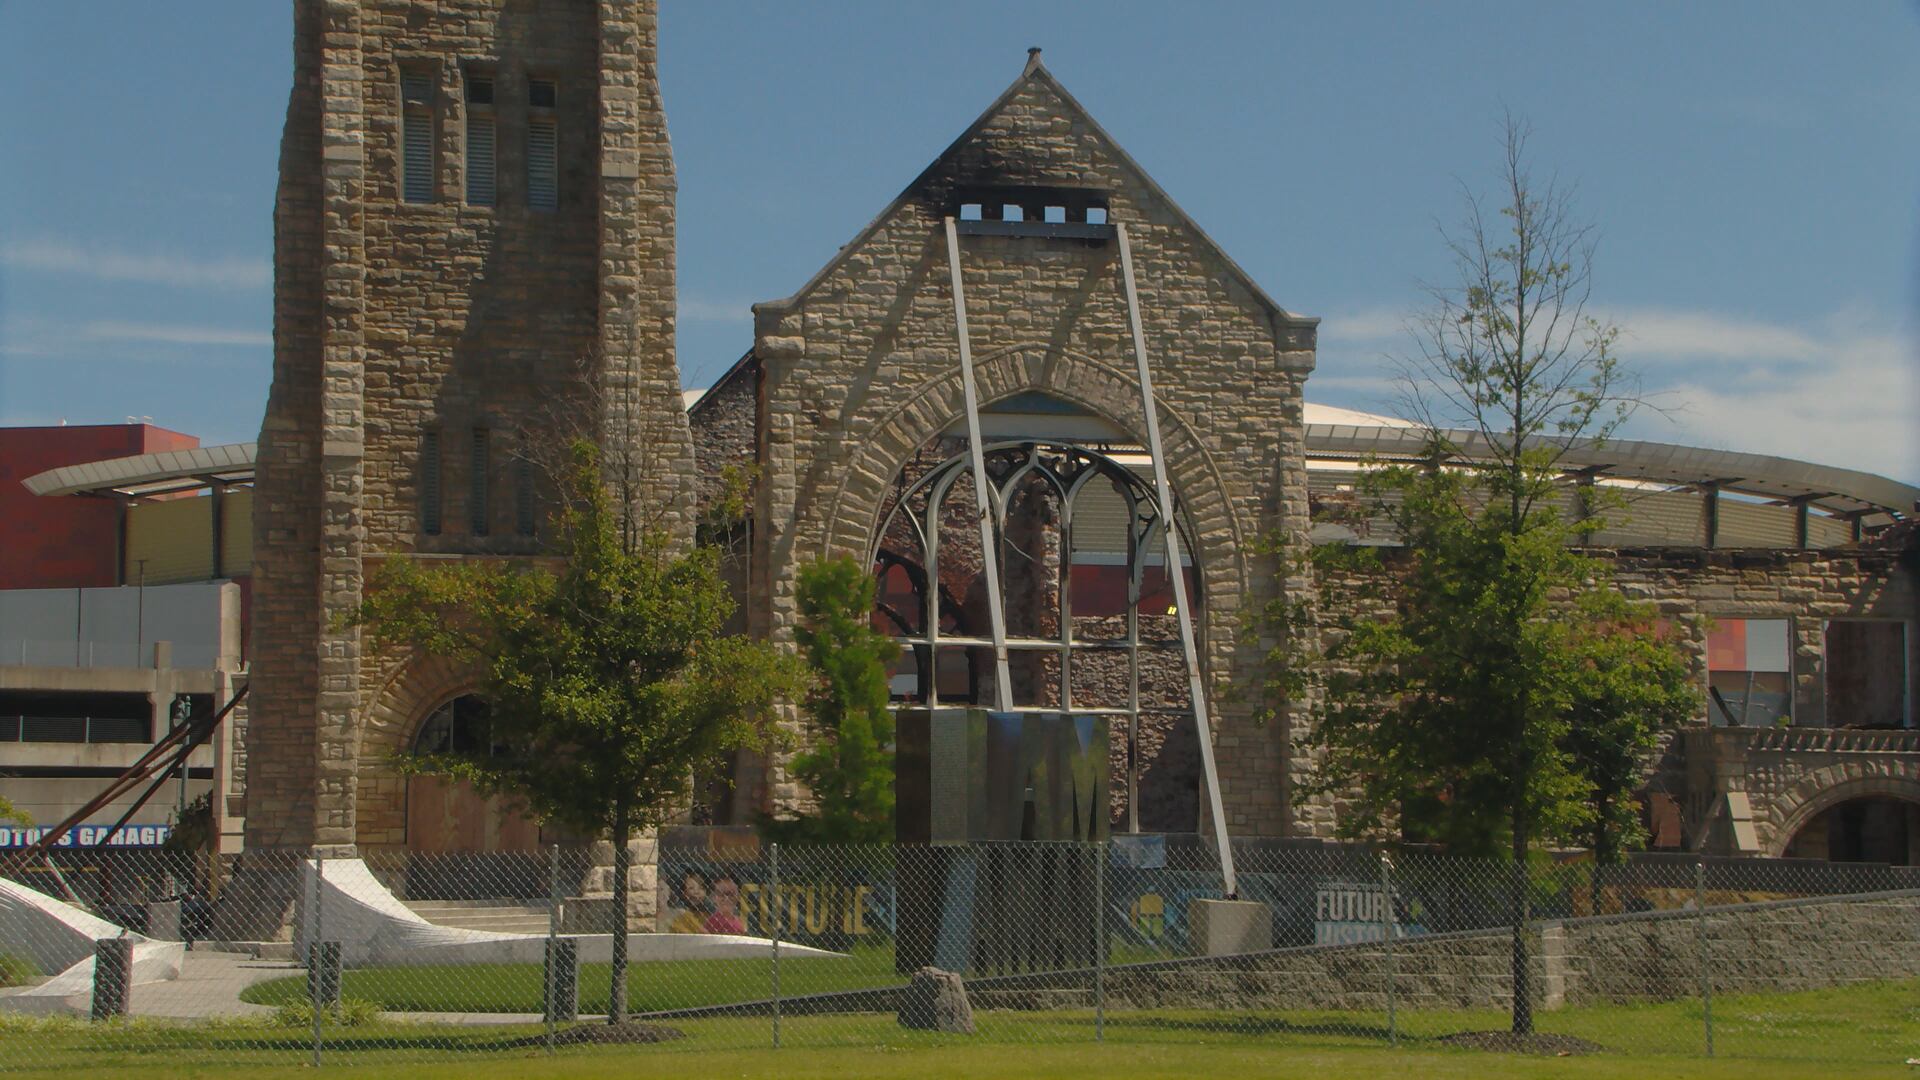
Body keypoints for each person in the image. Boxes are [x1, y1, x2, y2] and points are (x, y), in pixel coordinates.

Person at [667, 870, 710, 934]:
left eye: (701, 888)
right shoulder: (680, 913)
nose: (696, 892)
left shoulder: (709, 912)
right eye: (691, 888)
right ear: (684, 892)